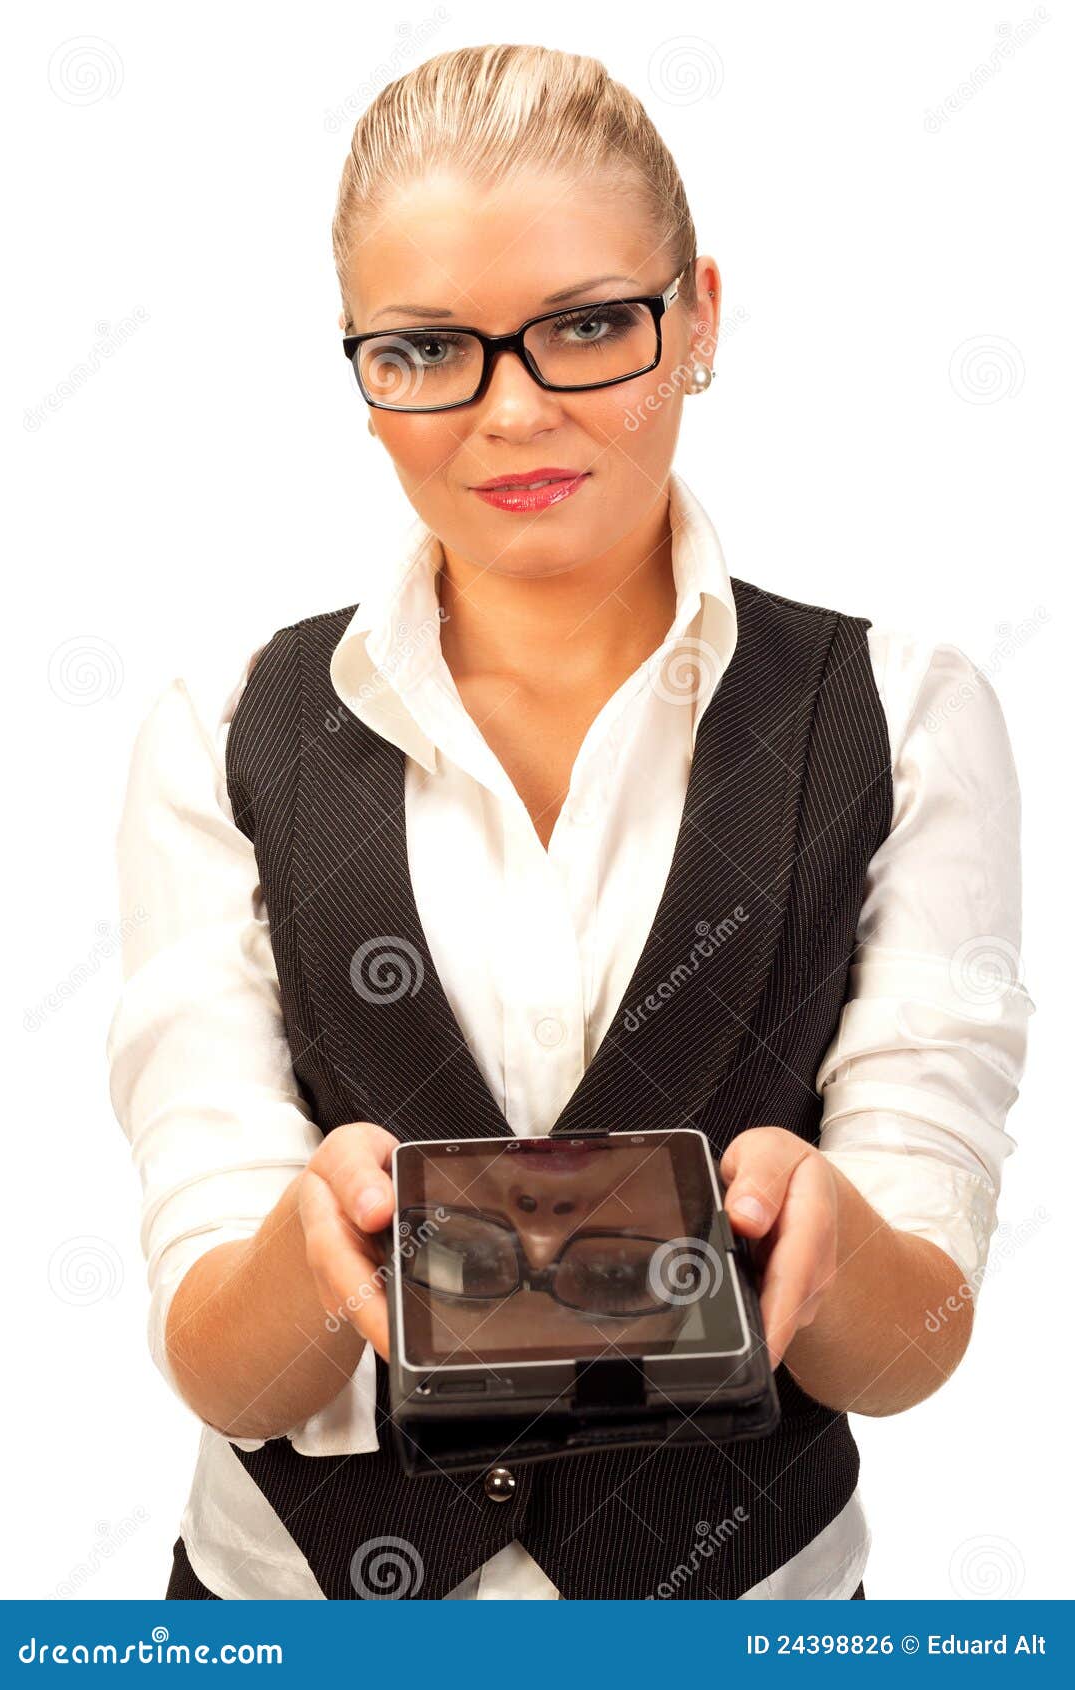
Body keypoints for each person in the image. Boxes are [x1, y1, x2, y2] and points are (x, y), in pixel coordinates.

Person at [106, 43, 1032, 1602]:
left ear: (701, 320)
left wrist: (830, 1229)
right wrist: (311, 1245)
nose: (514, 409)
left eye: (591, 325)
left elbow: (913, 1345)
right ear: (365, 375)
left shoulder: (902, 716)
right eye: (426, 349)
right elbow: (228, 1368)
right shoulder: (222, 735)